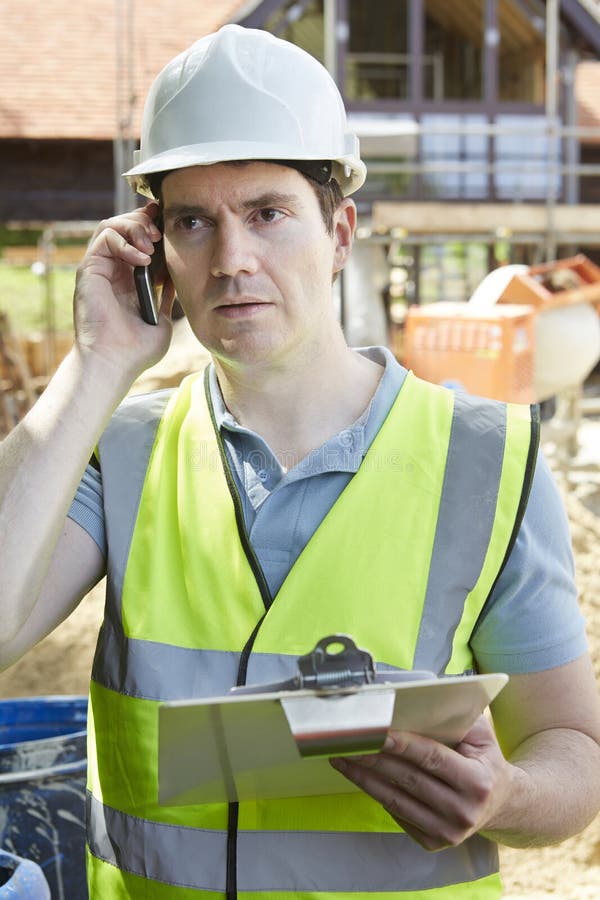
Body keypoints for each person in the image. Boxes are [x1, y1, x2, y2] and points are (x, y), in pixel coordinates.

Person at [1, 23, 599, 900]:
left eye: (267, 214)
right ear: (154, 251)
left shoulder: (485, 461)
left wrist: (508, 794)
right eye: (193, 222)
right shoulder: (118, 451)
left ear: (341, 229)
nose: (231, 260)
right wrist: (94, 366)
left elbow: (575, 755)